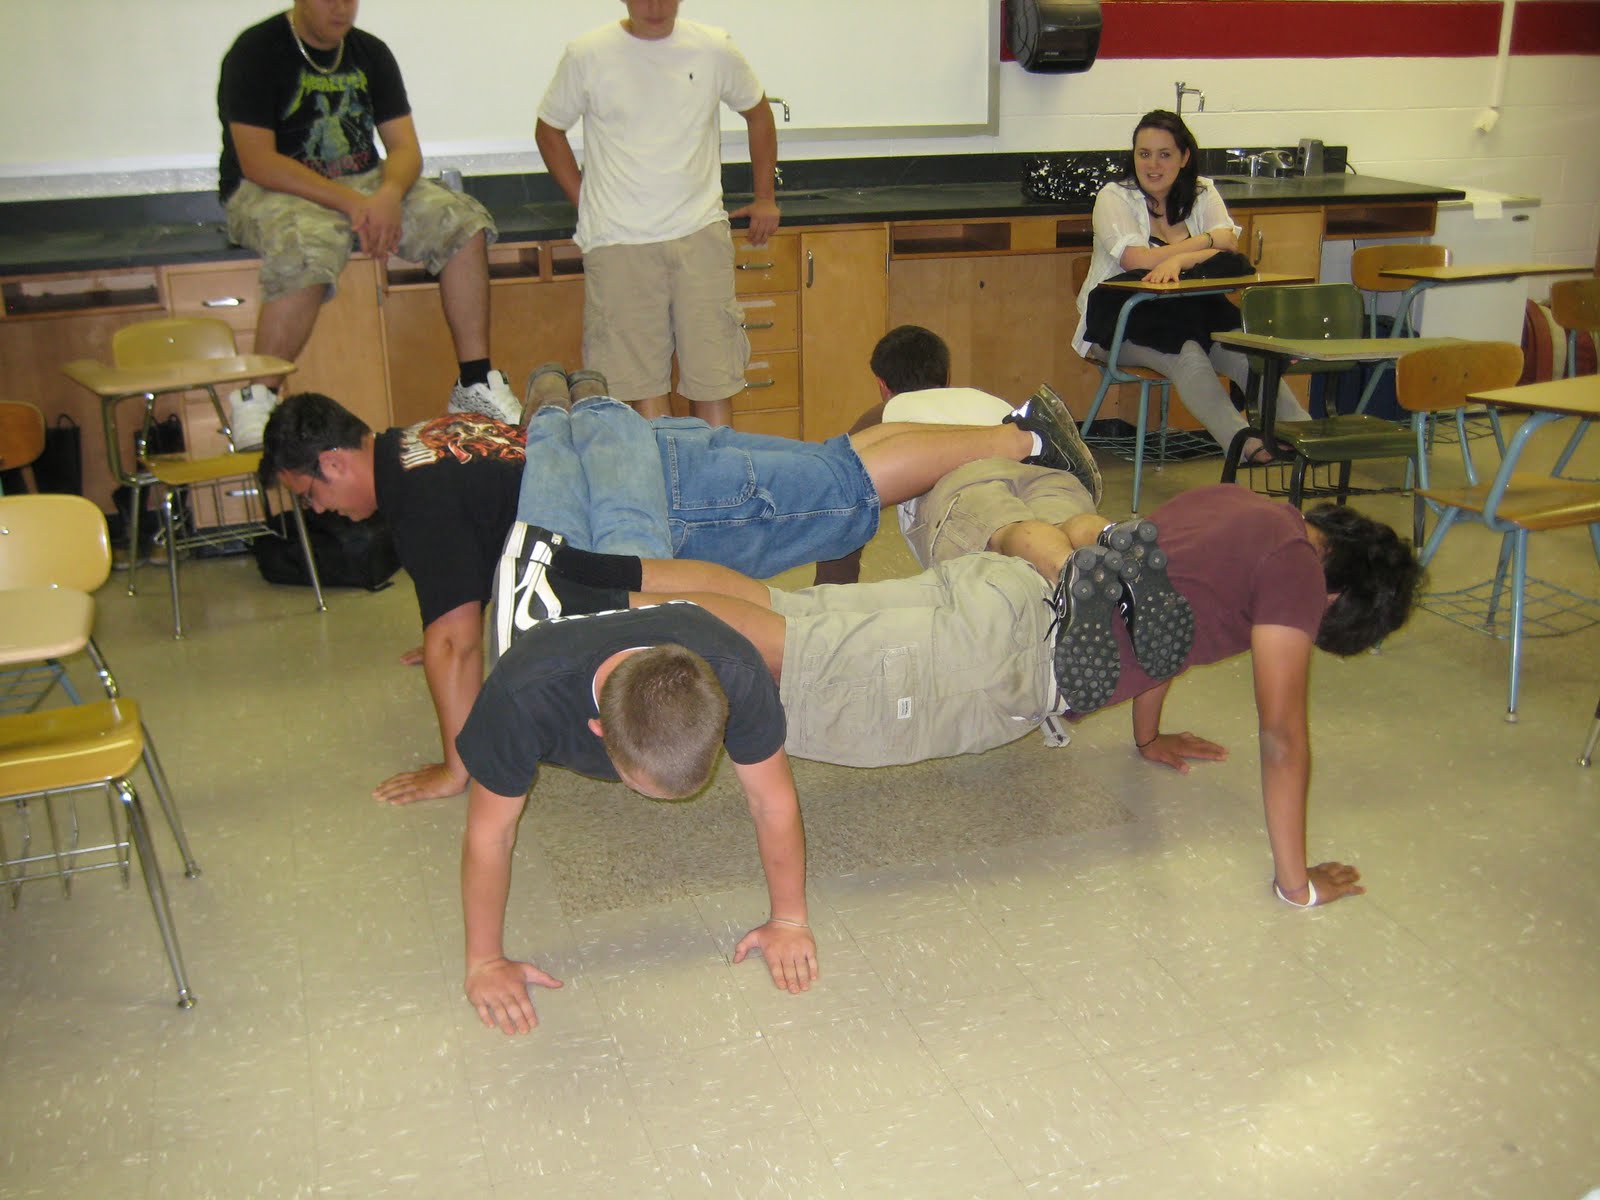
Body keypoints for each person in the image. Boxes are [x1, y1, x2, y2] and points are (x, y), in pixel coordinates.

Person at [512, 482, 1419, 916]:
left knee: (788, 611)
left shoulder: (1247, 510)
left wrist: (1152, 733)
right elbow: (1283, 738)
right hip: (1011, 650)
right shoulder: (1299, 577)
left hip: (1001, 588)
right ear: (1344, 597)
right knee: (797, 653)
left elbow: (1158, 597)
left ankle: (572, 571)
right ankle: (562, 613)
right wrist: (1294, 884)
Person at [257, 386, 1094, 803]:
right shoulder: (425, 439)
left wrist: (455, 766)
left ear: (330, 464)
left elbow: (454, 643)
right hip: (655, 457)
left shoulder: (411, 501)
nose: (323, 511)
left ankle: (1025, 437)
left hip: (665, 501)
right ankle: (1019, 429)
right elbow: (502, 521)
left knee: (843, 486)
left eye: (311, 495)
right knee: (834, 465)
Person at [457, 602, 814, 1035]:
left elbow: (771, 803)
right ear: (598, 731)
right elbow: (491, 835)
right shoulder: (522, 697)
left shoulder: (737, 674)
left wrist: (790, 920)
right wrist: (485, 961)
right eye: (642, 786)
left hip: (689, 630)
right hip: (550, 647)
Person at [217, 0, 519, 448]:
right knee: (309, 243)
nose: (342, 9)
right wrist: (353, 203)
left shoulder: (370, 52)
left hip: (362, 179)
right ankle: (257, 392)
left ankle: (475, 384)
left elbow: (404, 149)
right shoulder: (256, 50)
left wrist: (387, 195)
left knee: (463, 220)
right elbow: (259, 161)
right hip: (270, 188)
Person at [535, 0, 780, 426]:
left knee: (714, 378)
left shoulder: (712, 48)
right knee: (639, 386)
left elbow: (758, 113)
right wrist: (587, 199)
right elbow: (548, 129)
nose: (655, 6)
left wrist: (765, 197)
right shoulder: (587, 54)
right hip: (619, 244)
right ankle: (666, 491)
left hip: (699, 234)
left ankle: (717, 486)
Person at [1072, 110, 1312, 463]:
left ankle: (1306, 437)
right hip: (1122, 323)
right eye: (1144, 154)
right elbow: (1136, 260)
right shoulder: (1114, 197)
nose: (1153, 165)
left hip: (1195, 314)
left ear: (1184, 158)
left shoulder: (1202, 191)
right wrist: (1204, 243)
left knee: (1250, 356)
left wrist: (1177, 261)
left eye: (1165, 154)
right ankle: (1243, 445)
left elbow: (1229, 242)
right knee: (1190, 357)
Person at [812, 324, 1098, 586]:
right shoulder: (988, 400)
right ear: (947, 376)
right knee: (1065, 526)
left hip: (967, 485)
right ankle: (1106, 540)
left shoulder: (886, 414)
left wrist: (829, 593)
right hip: (1043, 473)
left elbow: (843, 504)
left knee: (1009, 533)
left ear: (882, 386)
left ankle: (1067, 579)